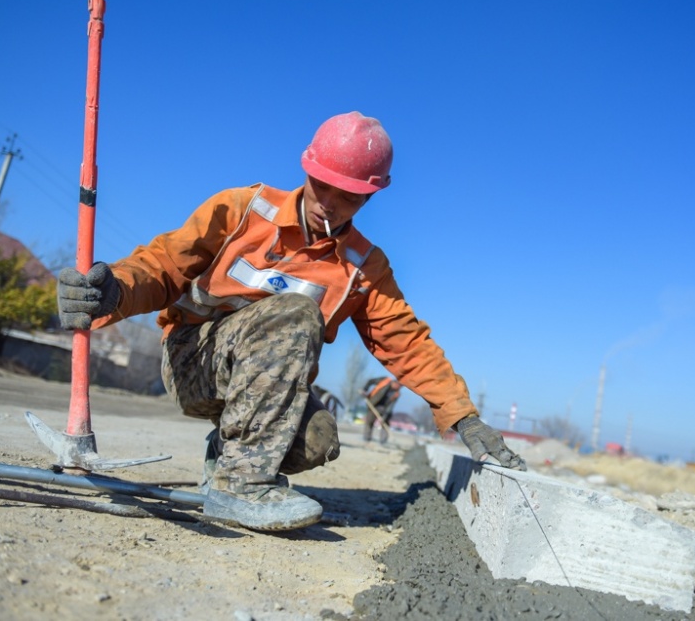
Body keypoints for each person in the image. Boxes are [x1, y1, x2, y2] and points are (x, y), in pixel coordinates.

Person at [56, 111, 526, 532]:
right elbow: (163, 265)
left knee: (318, 439)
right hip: (194, 361)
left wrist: (461, 415)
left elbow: (406, 342)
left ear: (369, 197)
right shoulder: (242, 210)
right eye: (322, 185)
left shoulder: (364, 267)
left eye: (349, 197)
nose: (330, 203)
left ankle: (225, 458)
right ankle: (242, 485)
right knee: (296, 311)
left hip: (265, 390)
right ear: (307, 170)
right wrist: (114, 289)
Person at [360, 376, 401, 443]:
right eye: (399, 385)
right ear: (395, 382)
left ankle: (383, 441)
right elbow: (370, 381)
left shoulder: (396, 393)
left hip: (385, 408)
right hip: (373, 403)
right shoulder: (384, 380)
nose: (399, 388)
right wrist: (365, 389)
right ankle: (367, 438)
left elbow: (390, 407)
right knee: (369, 421)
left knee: (385, 423)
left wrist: (384, 417)